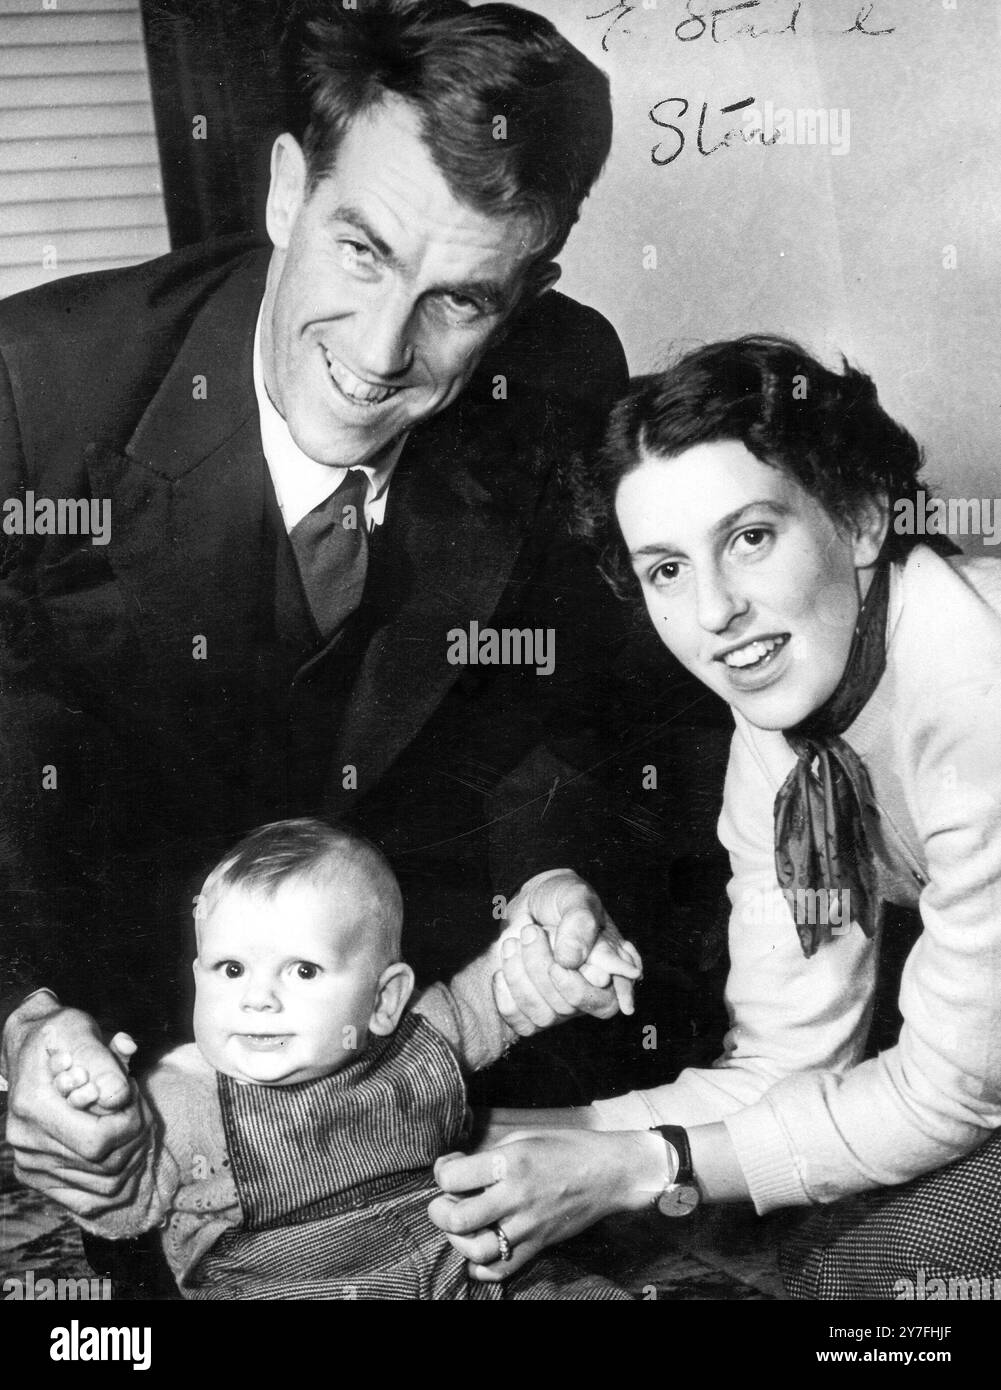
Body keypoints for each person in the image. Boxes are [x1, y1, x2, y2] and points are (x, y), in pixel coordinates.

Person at [1, 0, 712, 1251]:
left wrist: (544, 866)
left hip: (424, 1021)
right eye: (364, 252)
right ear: (286, 187)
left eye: (461, 302)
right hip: (108, 1039)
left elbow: (567, 701)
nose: (383, 355)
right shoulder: (33, 386)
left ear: (528, 291)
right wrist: (19, 1023)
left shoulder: (556, 376)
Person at [428, 335, 1001, 1299]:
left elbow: (951, 1096)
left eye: (749, 537)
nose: (714, 612)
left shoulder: (973, 690)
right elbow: (786, 1059)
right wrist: (478, 1150)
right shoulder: (783, 718)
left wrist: (641, 1171)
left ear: (860, 518)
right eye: (664, 570)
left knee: (895, 1274)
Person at [44, 819, 637, 1299]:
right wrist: (96, 1130)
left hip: (452, 1259)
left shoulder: (417, 1036)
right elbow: (122, 1210)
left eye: (302, 970)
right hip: (284, 1284)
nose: (257, 998)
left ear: (384, 1000)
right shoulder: (179, 1096)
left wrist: (569, 968)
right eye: (231, 969)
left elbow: (495, 1000)